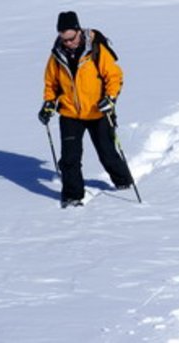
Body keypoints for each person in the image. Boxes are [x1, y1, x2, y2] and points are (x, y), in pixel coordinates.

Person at [38, 11, 133, 207]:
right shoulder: (56, 55)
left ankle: (124, 182)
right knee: (70, 158)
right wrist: (49, 103)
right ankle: (73, 195)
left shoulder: (96, 50)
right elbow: (51, 83)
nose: (68, 43)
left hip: (98, 111)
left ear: (79, 31)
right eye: (64, 39)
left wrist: (110, 99)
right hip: (70, 113)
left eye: (71, 38)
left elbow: (114, 76)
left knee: (107, 153)